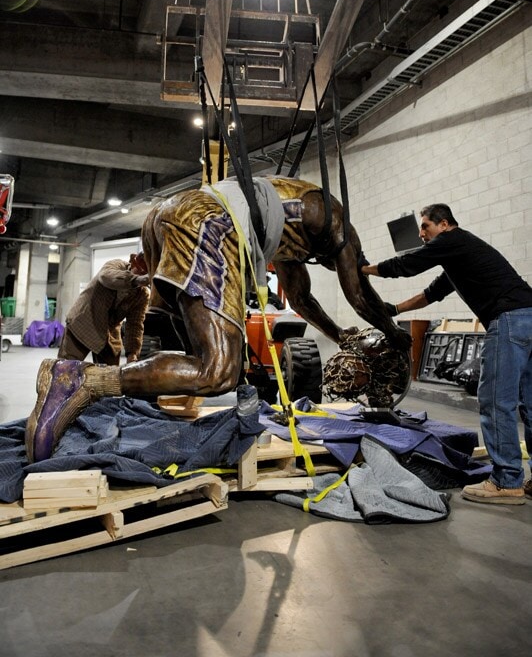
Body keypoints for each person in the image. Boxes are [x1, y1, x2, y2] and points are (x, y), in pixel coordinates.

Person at [25, 176, 412, 463]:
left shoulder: (295, 228)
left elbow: (301, 298)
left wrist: (339, 334)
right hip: (209, 222)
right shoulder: (338, 226)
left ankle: (88, 388)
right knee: (219, 372)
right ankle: (81, 380)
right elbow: (360, 296)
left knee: (197, 348)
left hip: (170, 214)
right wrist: (393, 331)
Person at [361, 202, 532, 505]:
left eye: (425, 226)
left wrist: (365, 270)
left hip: (508, 319)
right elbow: (430, 295)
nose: (422, 234)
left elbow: (407, 264)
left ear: (443, 224)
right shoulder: (459, 255)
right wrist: (394, 309)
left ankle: (506, 482)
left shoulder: (452, 241)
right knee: (529, 404)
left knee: (496, 401)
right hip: (527, 317)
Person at [57, 253, 150, 366]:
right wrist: (136, 279)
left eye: (144, 273)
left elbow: (135, 324)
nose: (141, 275)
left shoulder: (142, 294)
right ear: (132, 262)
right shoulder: (116, 265)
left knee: (111, 377)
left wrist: (133, 353)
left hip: (108, 334)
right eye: (139, 270)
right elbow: (106, 277)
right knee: (66, 370)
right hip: (83, 322)